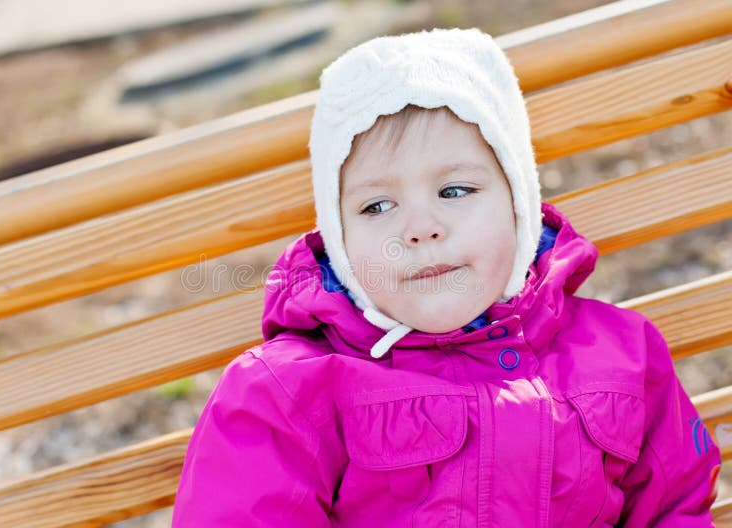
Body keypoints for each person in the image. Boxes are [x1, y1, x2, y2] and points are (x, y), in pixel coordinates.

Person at [171, 27, 721, 527]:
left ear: (519, 208)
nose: (420, 229)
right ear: (339, 240)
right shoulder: (286, 393)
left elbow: (675, 506)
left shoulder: (622, 354)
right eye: (377, 207)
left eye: (454, 191)